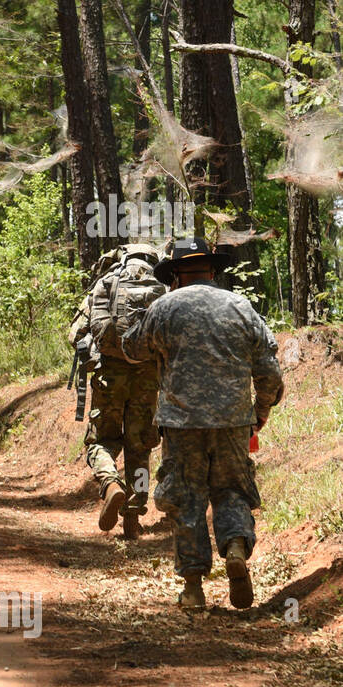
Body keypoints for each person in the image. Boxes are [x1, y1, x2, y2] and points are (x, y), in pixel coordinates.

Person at [122, 236, 284, 610]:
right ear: (213, 270)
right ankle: (236, 550)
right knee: (232, 491)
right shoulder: (241, 307)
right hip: (233, 423)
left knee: (186, 499)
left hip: (181, 426)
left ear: (175, 274)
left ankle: (193, 589)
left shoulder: (164, 308)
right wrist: (260, 412)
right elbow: (270, 373)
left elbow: (132, 350)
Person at [68, 244, 164, 539]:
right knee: (141, 447)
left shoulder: (108, 282)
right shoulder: (162, 286)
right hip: (148, 378)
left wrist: (96, 360)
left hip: (109, 375)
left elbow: (76, 334)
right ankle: (134, 517)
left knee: (101, 442)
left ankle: (111, 484)